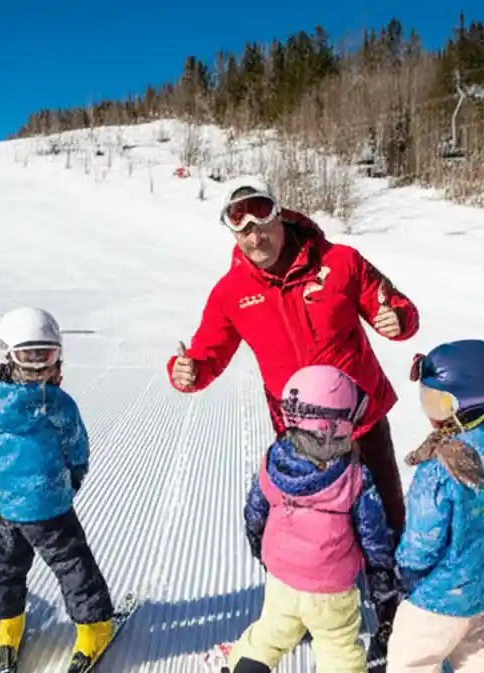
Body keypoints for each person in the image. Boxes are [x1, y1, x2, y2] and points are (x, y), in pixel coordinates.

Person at [167, 176, 419, 545]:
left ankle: (394, 598)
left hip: (363, 424)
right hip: (300, 436)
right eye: (243, 230)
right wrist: (186, 372)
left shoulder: (341, 261)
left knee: (387, 524)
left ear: (279, 215)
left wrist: (397, 319)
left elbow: (398, 308)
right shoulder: (230, 293)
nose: (255, 239)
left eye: (262, 223)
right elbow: (206, 355)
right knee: (327, 537)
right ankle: (340, 598)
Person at [220, 365, 399, 673]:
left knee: (272, 631)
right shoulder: (354, 477)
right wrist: (382, 574)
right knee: (337, 646)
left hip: (283, 578)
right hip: (332, 588)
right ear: (340, 426)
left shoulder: (274, 463)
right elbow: (374, 534)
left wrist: (260, 547)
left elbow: (255, 511)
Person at [0, 307, 114, 673]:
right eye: (28, 358)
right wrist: (76, 473)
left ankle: (7, 621)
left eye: (43, 357)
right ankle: (93, 625)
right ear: (8, 357)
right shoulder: (59, 403)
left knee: (5, 567)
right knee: (72, 565)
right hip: (49, 509)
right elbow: (77, 445)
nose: (36, 370)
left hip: (6, 510)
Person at [382, 339, 484, 673]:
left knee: (411, 669)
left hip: (433, 599)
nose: (430, 414)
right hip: (477, 591)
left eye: (438, 404)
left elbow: (422, 541)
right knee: (483, 664)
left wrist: (402, 570)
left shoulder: (440, 468)